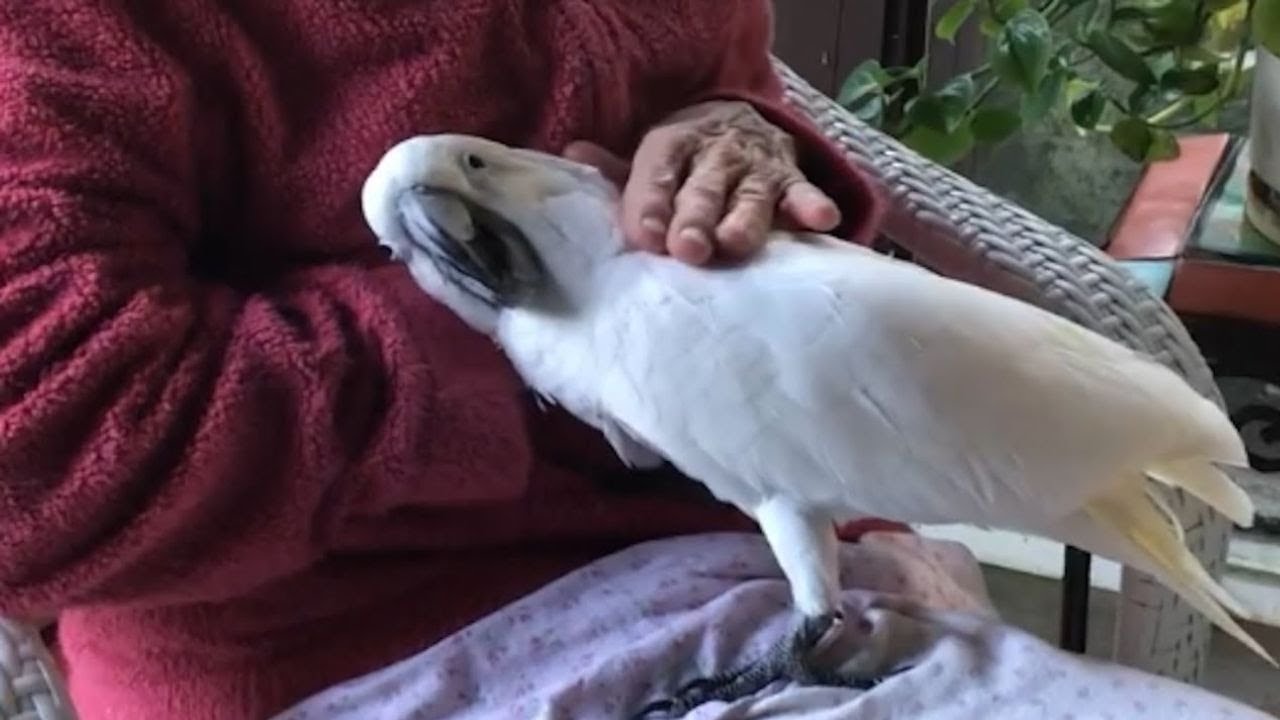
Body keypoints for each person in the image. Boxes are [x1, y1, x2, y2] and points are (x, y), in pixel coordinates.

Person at [0, 1, 884, 718]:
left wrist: (740, 143)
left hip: (779, 546)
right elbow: (37, 449)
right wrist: (532, 313)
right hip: (350, 650)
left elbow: (723, 95)